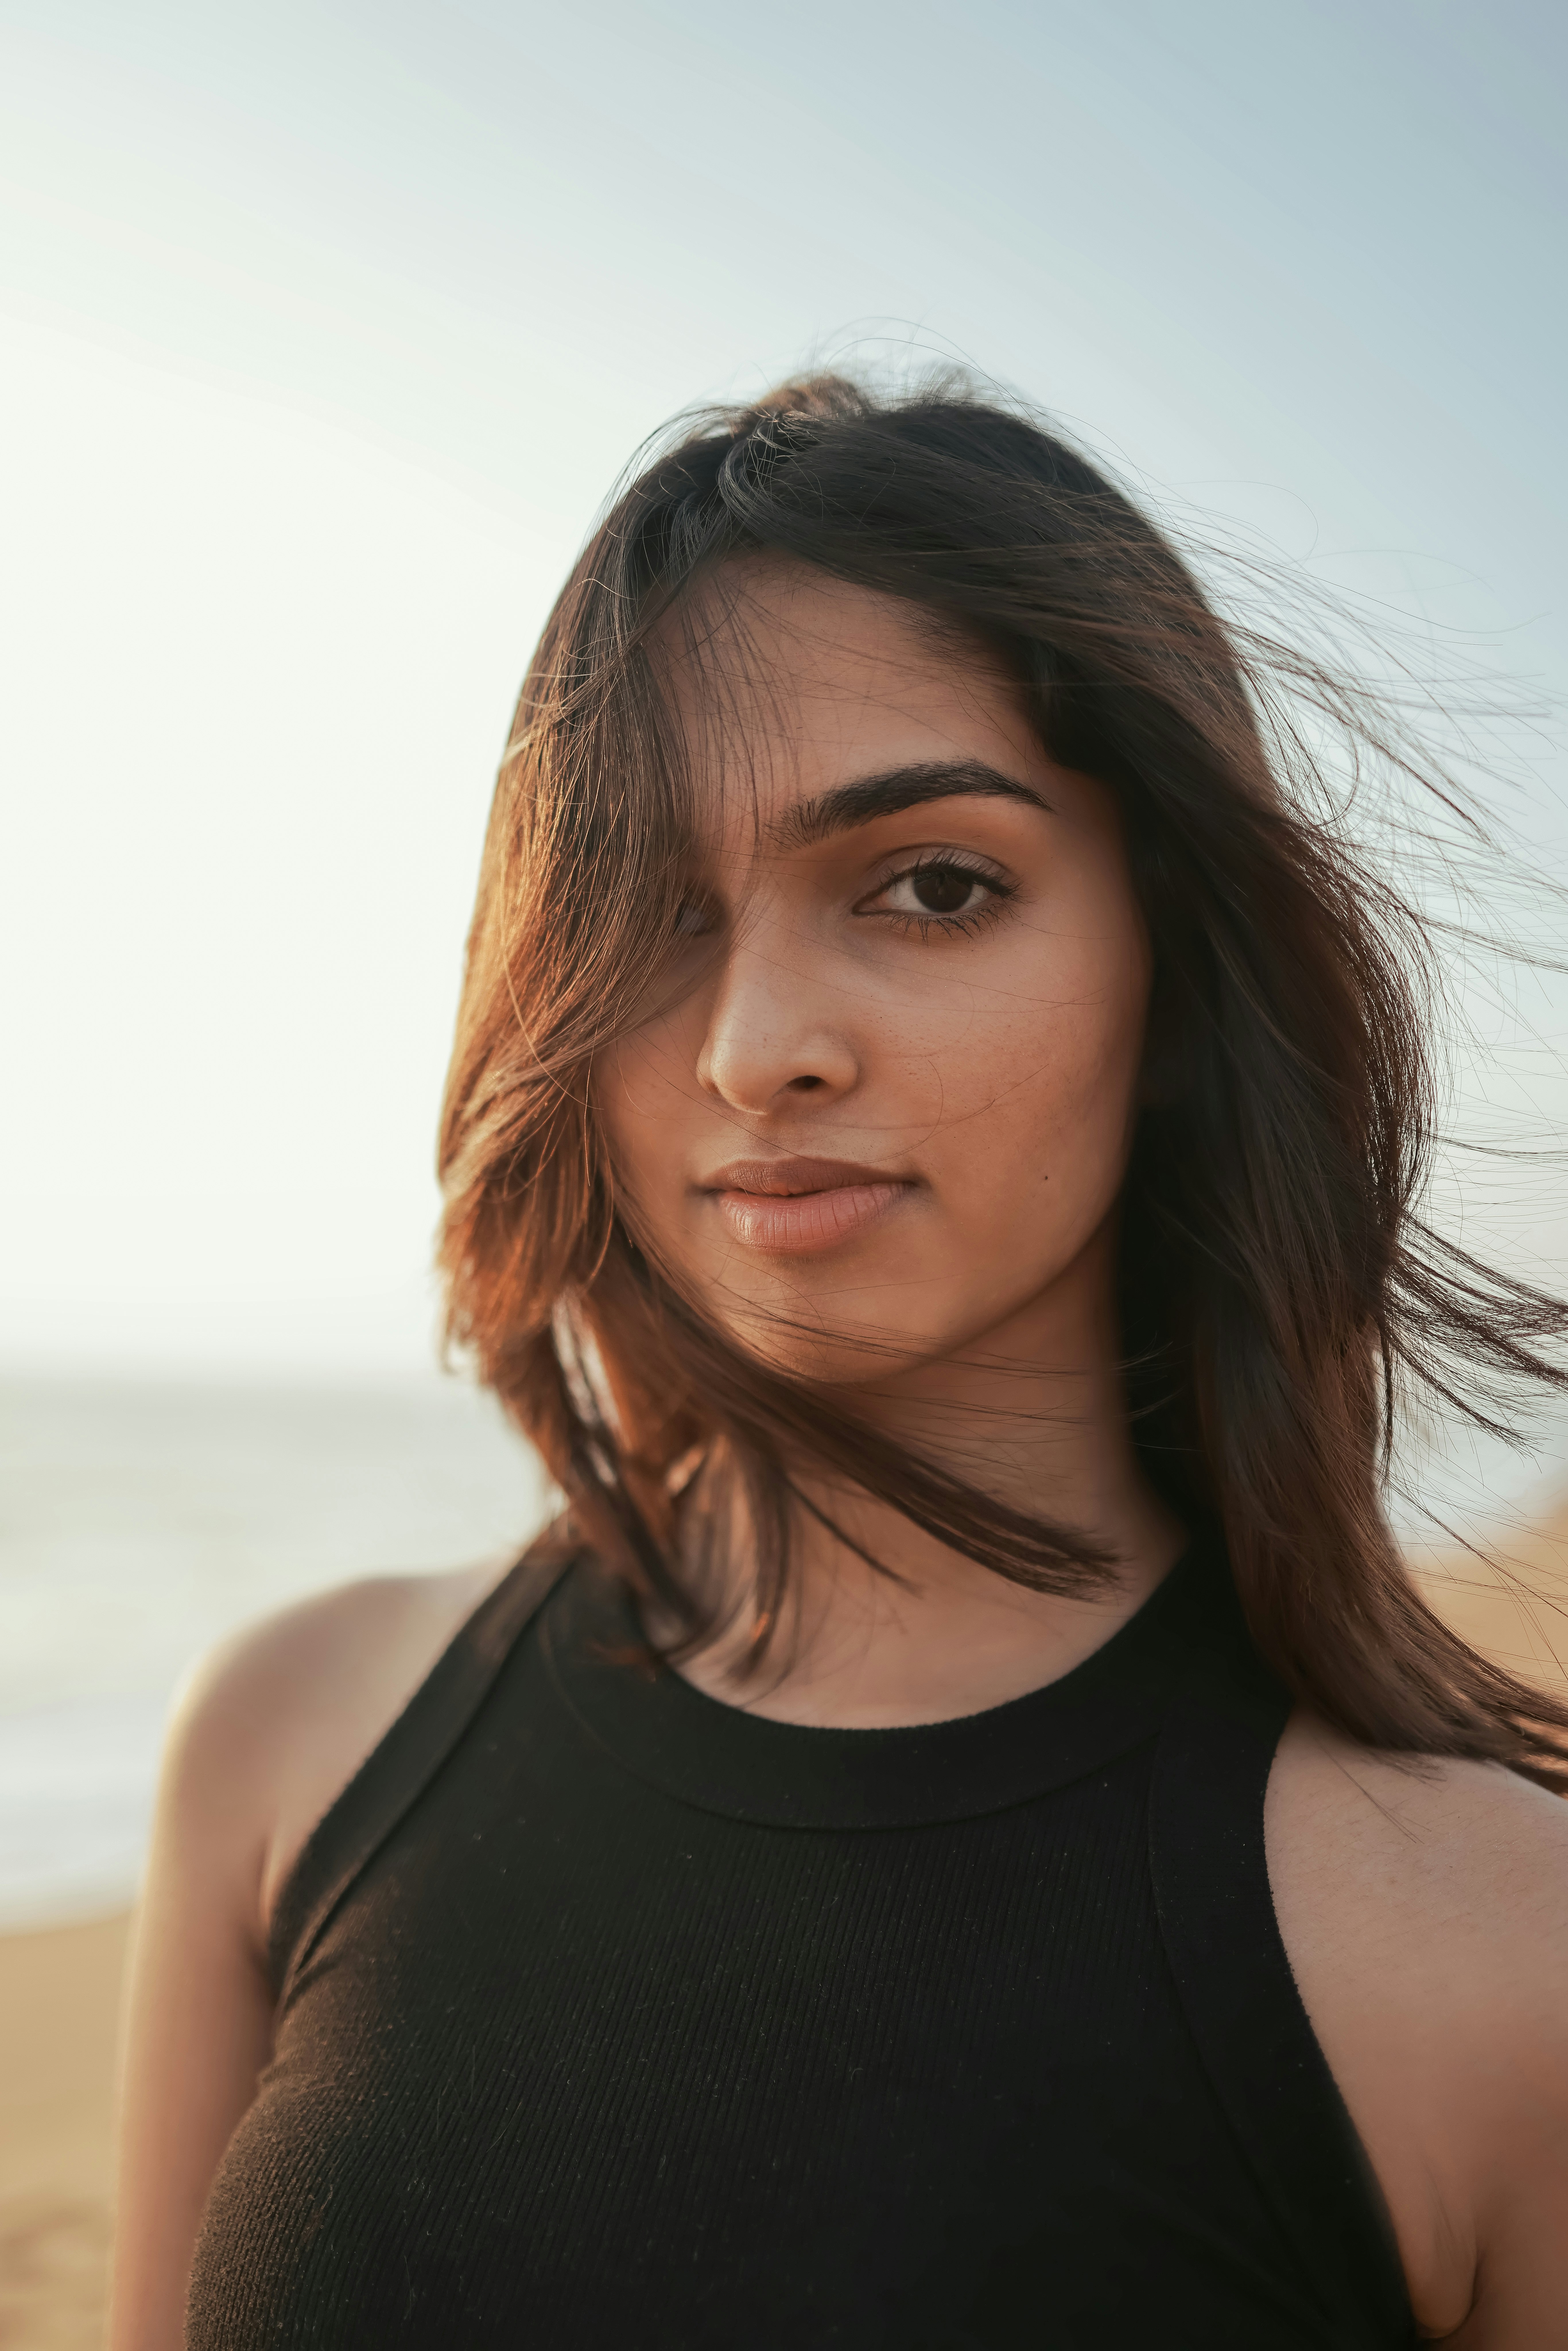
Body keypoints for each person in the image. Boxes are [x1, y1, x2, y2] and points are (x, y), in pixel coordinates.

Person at [110, 375, 1568, 2349]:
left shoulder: (1494, 1954)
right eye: (642, 913)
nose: (752, 1046)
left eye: (933, 887)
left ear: (1173, 960)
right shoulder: (292, 1740)